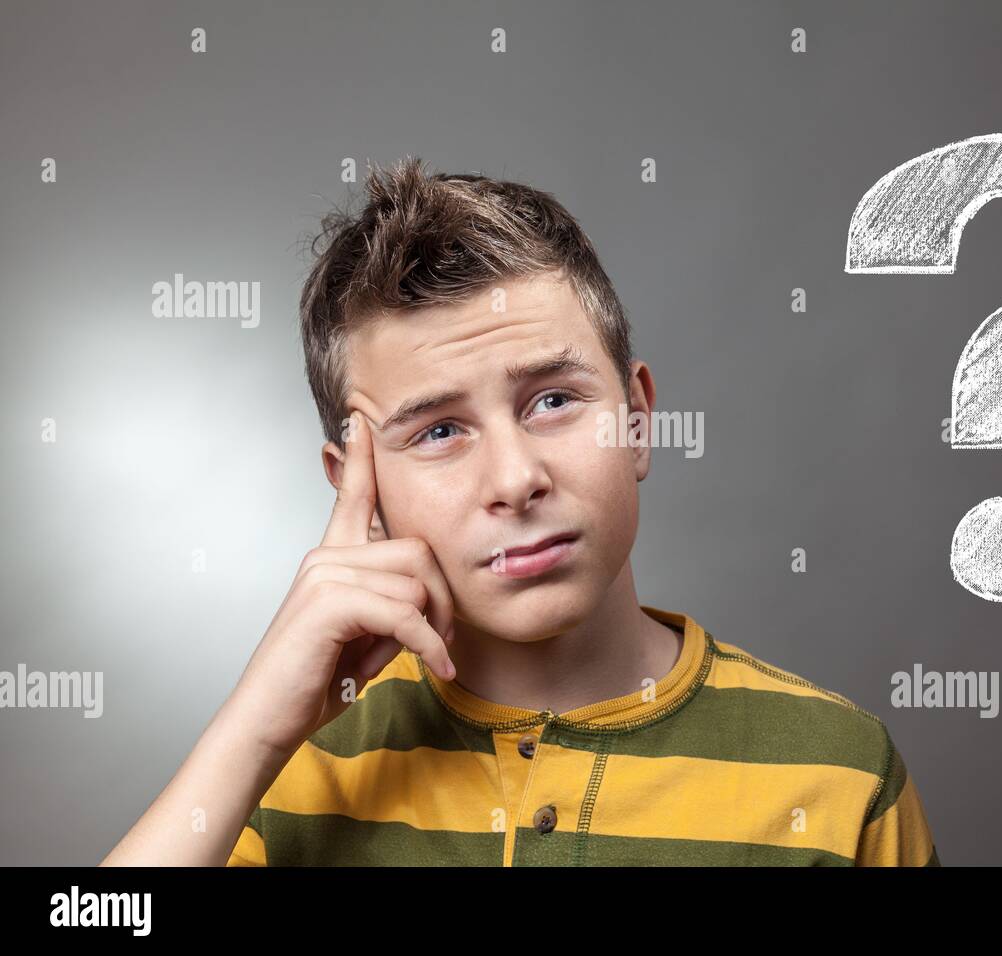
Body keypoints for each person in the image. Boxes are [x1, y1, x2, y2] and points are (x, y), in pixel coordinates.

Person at [100, 158, 939, 866]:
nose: (515, 477)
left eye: (551, 402)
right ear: (359, 489)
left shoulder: (841, 777)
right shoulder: (288, 774)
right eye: (437, 430)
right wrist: (250, 735)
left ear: (638, 422)